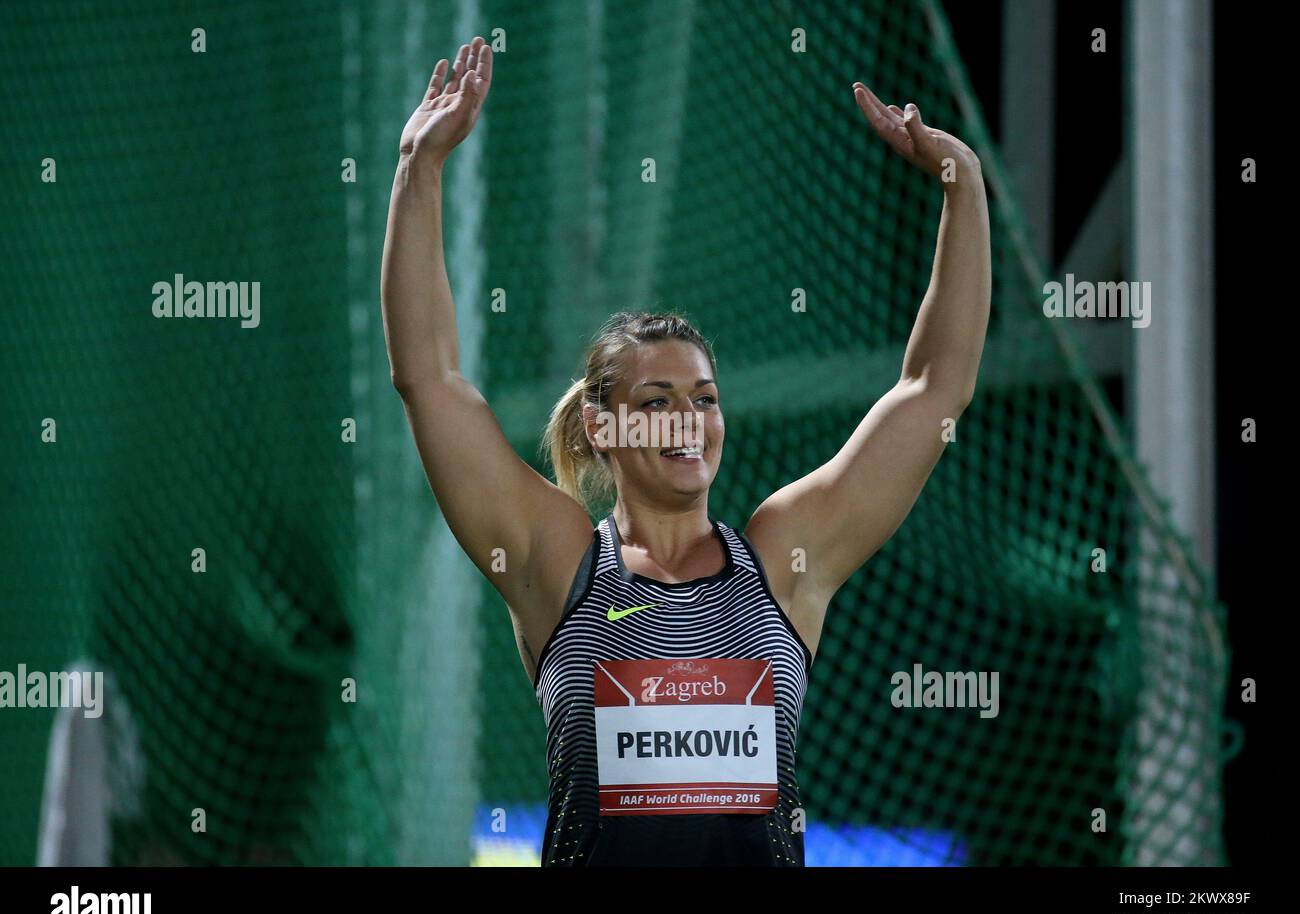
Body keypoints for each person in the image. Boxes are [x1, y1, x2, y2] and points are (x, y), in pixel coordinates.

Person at [380, 36, 990, 865]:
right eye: (657, 402)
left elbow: (933, 391)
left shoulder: (786, 557)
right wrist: (418, 166)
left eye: (704, 400)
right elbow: (430, 378)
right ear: (603, 426)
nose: (688, 422)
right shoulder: (556, 561)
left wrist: (964, 184)